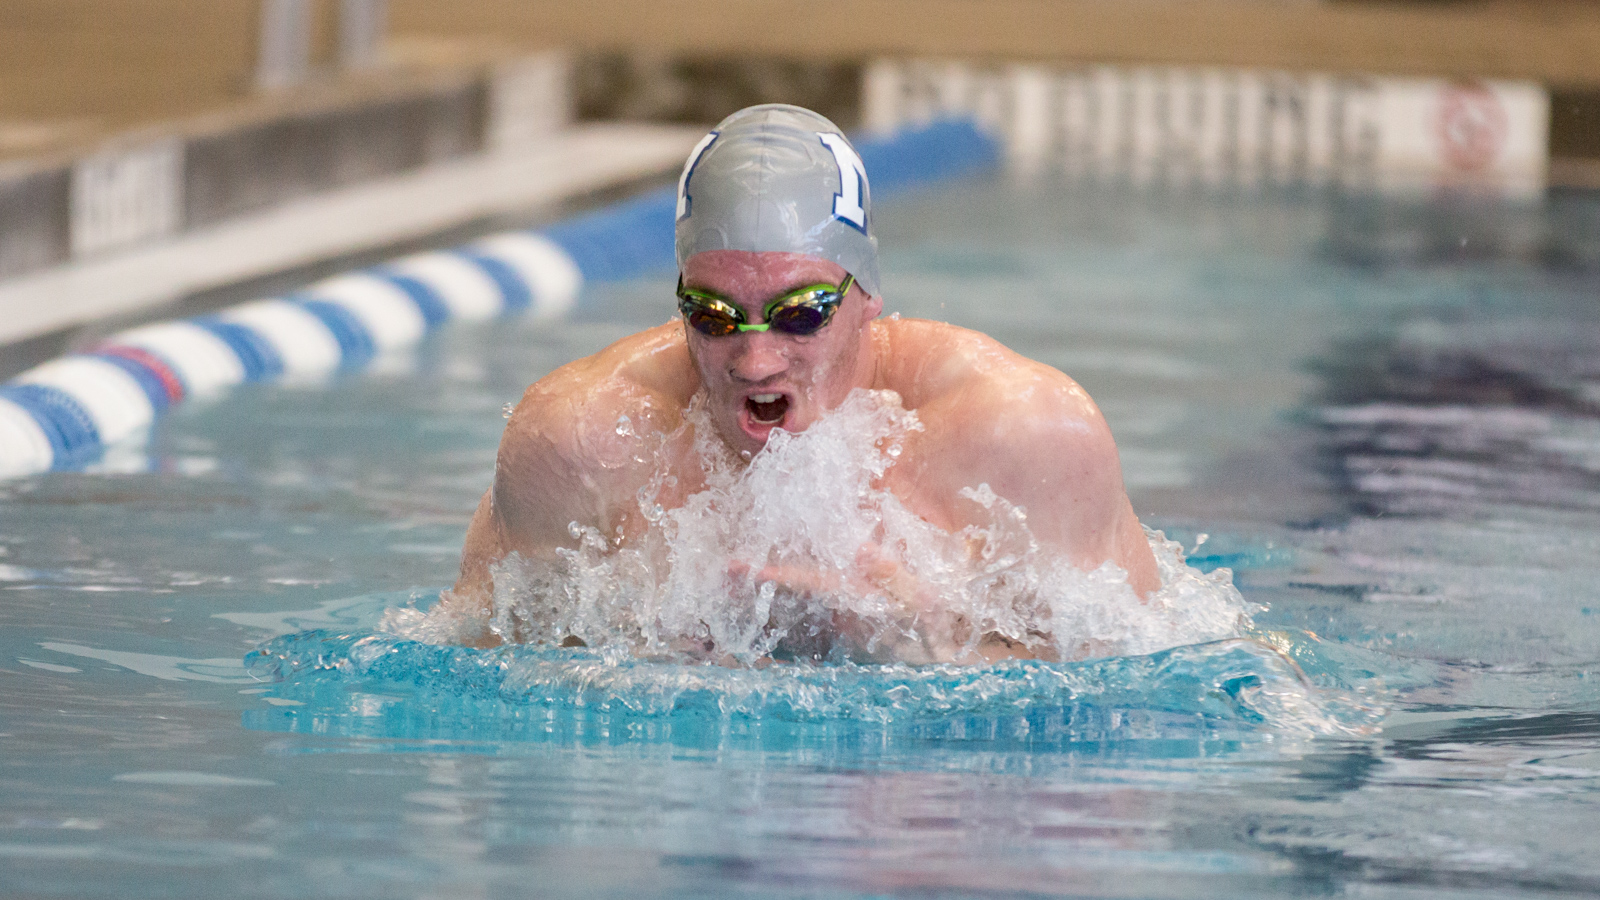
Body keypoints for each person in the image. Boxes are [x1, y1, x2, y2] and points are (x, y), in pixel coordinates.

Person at [442, 104, 1160, 662]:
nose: (755, 361)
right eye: (714, 316)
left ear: (866, 295)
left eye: (800, 314)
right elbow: (473, 670)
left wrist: (934, 650)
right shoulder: (580, 441)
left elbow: (1140, 696)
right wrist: (636, 659)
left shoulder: (1021, 435)